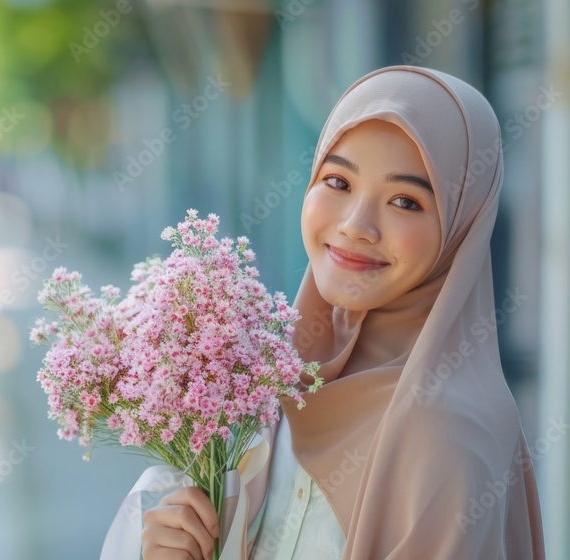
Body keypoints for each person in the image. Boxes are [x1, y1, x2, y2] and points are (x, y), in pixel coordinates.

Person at [138, 65, 546, 560]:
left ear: (462, 223)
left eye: (405, 201)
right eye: (337, 181)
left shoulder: (446, 433)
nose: (356, 225)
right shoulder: (274, 377)